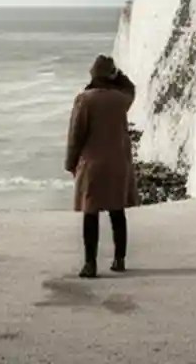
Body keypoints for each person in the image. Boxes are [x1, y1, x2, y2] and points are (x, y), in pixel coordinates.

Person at [66, 54, 138, 278]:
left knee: (91, 214)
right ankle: (119, 259)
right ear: (111, 75)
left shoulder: (84, 100)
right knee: (117, 212)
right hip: (118, 162)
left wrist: (71, 163)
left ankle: (90, 264)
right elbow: (130, 87)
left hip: (93, 165)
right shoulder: (121, 99)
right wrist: (117, 75)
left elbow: (76, 135)